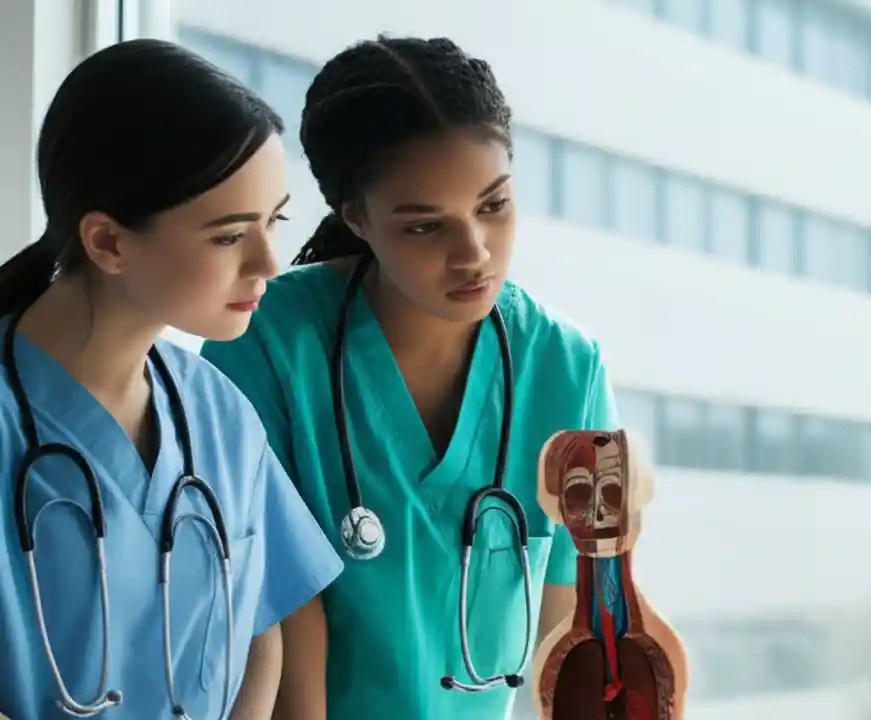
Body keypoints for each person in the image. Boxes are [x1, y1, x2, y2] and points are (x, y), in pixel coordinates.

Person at [200, 35, 621, 719]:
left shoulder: (572, 371)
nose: (474, 255)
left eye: (494, 205)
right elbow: (272, 622)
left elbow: (570, 638)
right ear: (356, 218)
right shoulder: (267, 342)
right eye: (426, 227)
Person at [0, 39, 343, 719]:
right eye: (228, 236)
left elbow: (259, 625)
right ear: (108, 242)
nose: (269, 262)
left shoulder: (219, 414)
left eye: (273, 222)